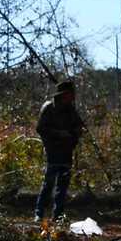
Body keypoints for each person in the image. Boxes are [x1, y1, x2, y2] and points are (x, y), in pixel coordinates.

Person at [35, 80, 84, 223]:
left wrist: (73, 134)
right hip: (52, 151)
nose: (72, 96)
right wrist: (59, 134)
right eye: (70, 94)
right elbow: (41, 128)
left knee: (62, 186)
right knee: (48, 184)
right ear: (64, 94)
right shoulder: (49, 107)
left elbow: (77, 128)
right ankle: (39, 213)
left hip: (67, 151)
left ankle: (58, 216)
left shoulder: (71, 110)